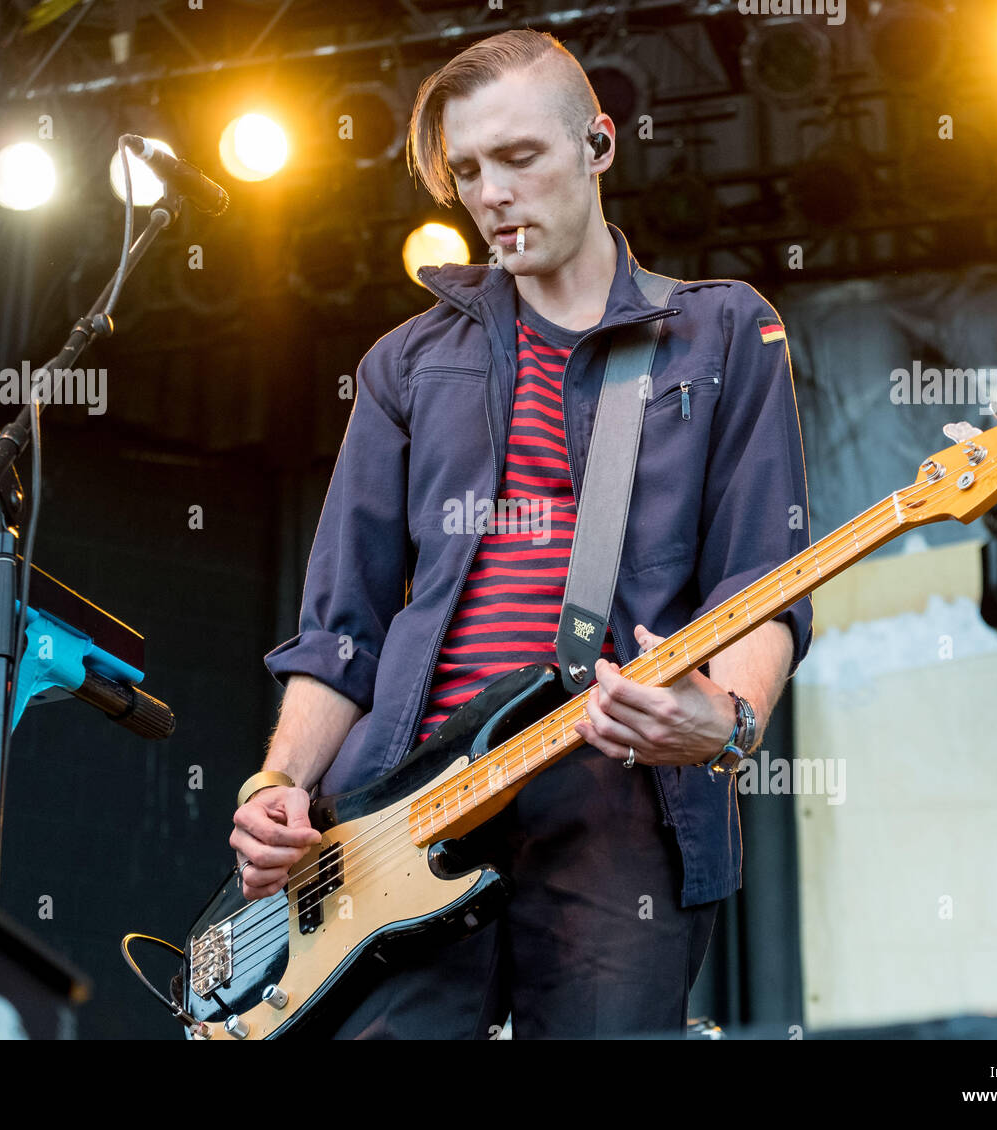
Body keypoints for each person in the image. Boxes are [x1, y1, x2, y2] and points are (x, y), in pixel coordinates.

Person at [230, 28, 812, 1039]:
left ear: (598, 144)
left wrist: (729, 720)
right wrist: (277, 784)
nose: (489, 192)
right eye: (465, 171)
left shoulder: (721, 331)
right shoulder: (405, 363)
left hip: (616, 793)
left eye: (519, 157)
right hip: (394, 808)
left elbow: (760, 575)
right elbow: (341, 627)